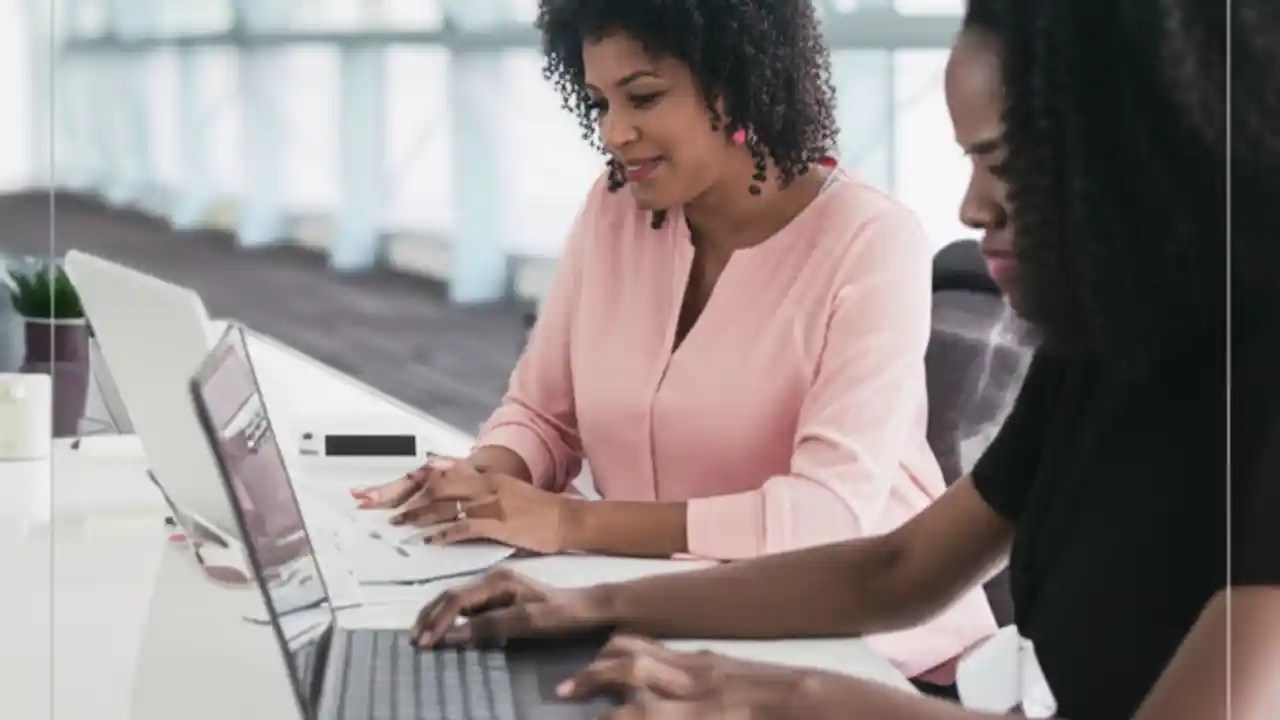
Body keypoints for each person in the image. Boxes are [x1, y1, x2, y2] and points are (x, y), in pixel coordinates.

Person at [402, 1, 1280, 718]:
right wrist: (590, 607)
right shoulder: (1101, 352)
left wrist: (811, 697)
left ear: (1146, 146)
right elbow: (892, 569)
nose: (970, 207)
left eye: (1002, 162)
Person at [355, 0, 998, 686]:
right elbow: (543, 413)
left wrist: (572, 524)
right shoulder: (613, 210)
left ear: (739, 78)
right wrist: (485, 482)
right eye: (599, 101)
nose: (614, 131)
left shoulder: (870, 240)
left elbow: (825, 519)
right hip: (664, 620)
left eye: (644, 96)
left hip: (868, 654)